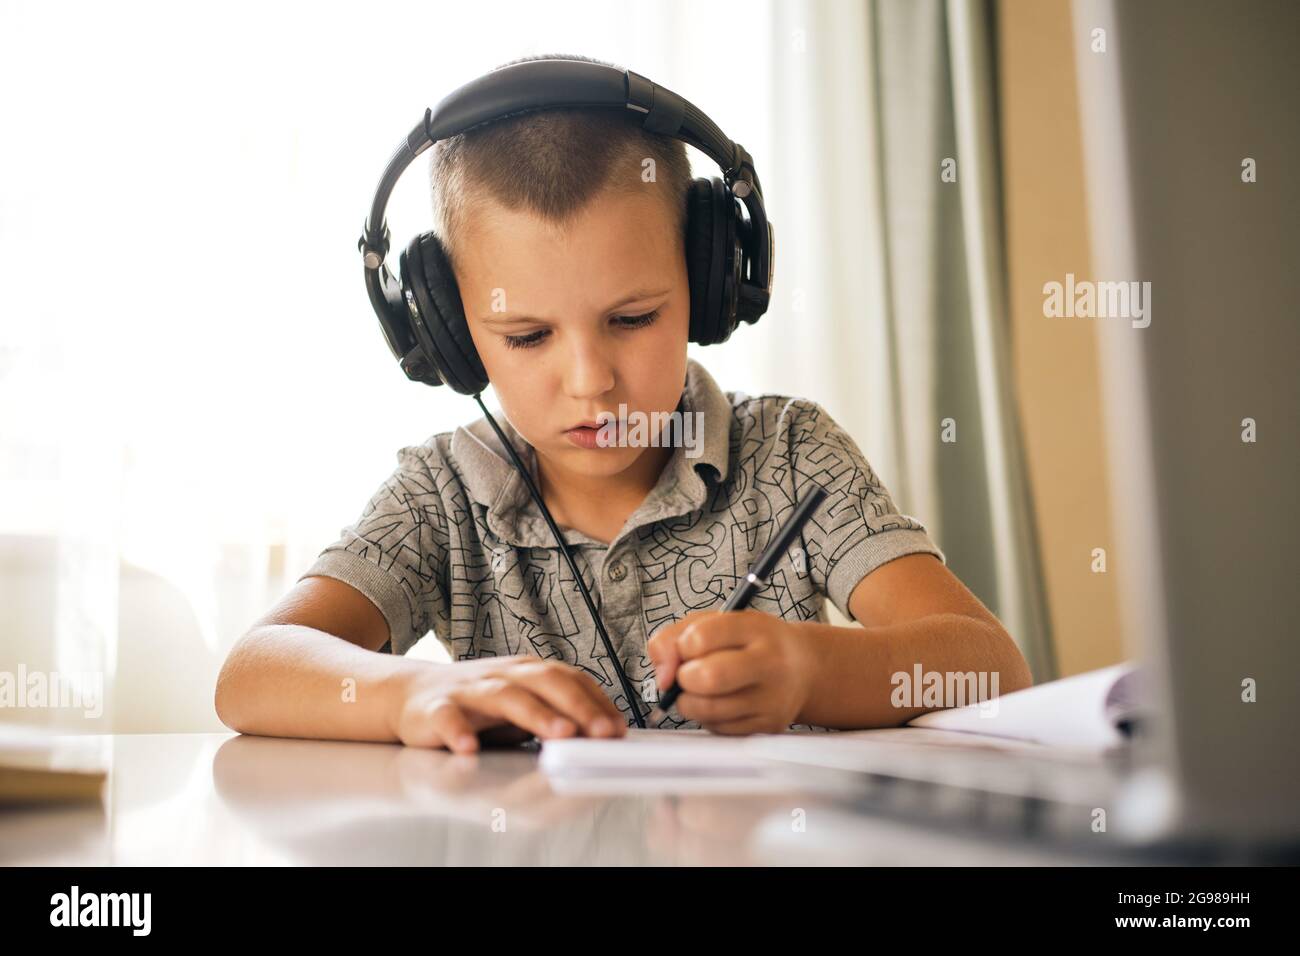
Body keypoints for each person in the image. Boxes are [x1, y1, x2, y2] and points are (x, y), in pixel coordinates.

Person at [215, 53, 1032, 754]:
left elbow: (989, 664)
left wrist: (815, 669)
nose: (589, 380)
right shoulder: (440, 496)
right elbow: (253, 674)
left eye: (633, 319)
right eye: (527, 336)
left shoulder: (790, 453)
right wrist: (406, 696)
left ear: (711, 286)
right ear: (448, 332)